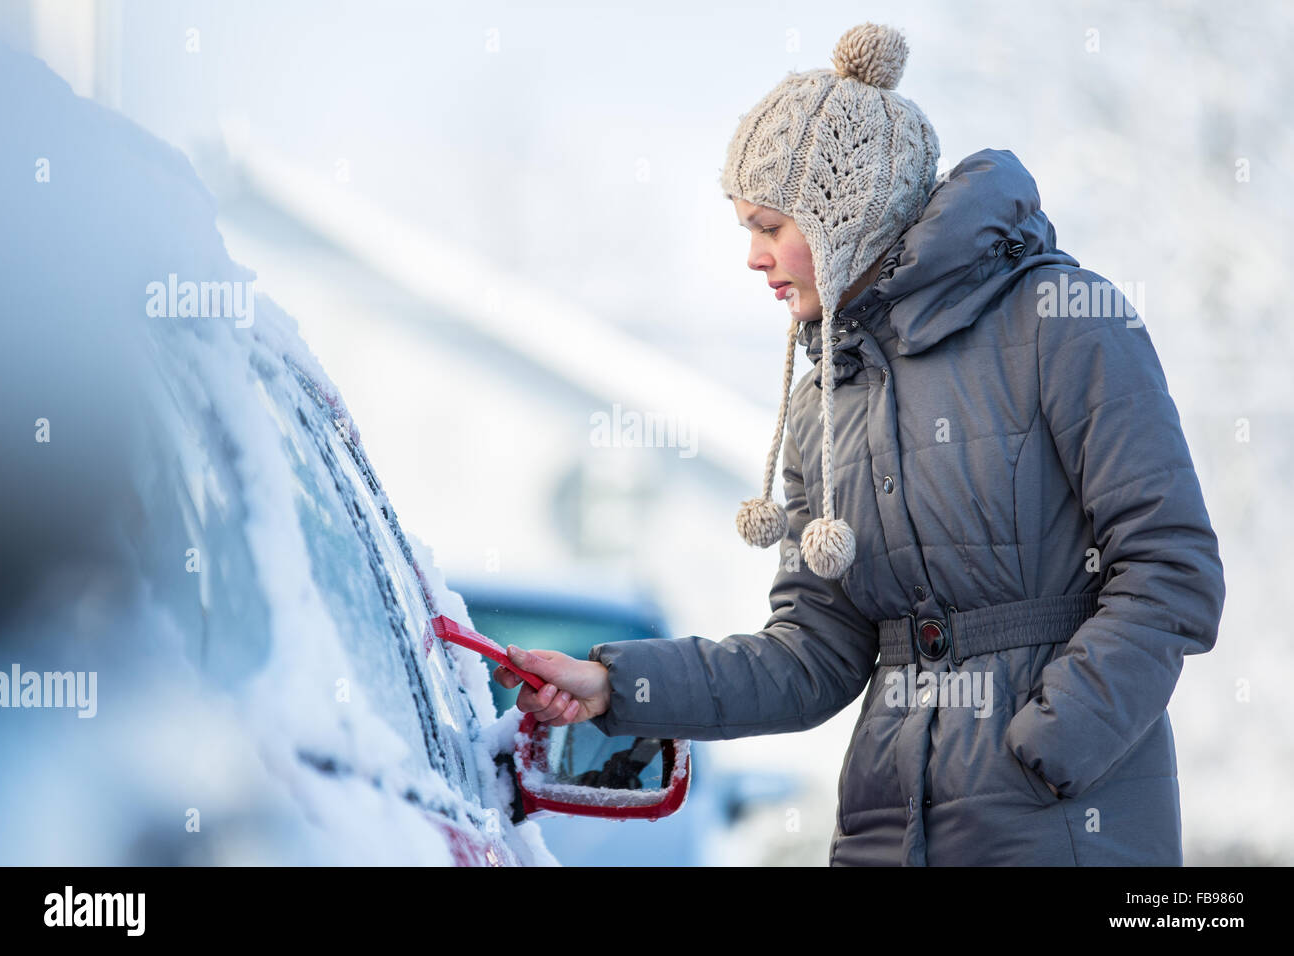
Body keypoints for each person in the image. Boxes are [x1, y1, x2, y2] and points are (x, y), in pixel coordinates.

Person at [493, 22, 1225, 866]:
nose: (753, 257)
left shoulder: (1059, 324)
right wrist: (619, 685)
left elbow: (1170, 567)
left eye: (769, 226)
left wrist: (1050, 747)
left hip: (1060, 829)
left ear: (843, 212)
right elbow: (812, 653)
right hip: (885, 831)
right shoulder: (824, 404)